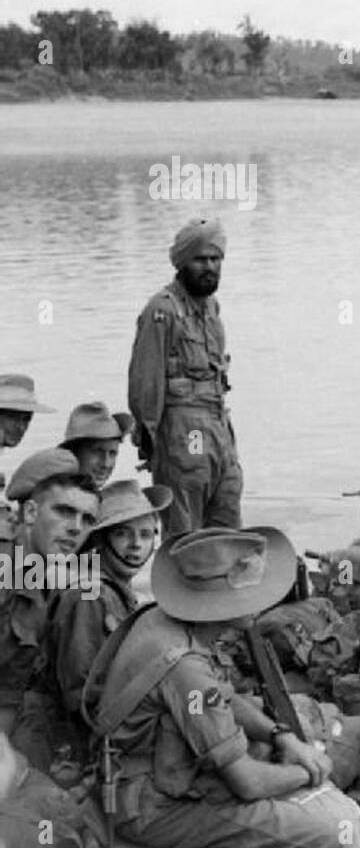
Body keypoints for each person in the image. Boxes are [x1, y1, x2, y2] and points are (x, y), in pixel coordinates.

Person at [83, 526, 360, 848]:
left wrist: (280, 737)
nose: (260, 600)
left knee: (326, 798)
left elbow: (224, 694)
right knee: (332, 838)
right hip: (153, 808)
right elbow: (248, 783)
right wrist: (314, 769)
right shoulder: (184, 667)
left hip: (155, 782)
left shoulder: (166, 622)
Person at [128, 216, 243, 537]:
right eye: (200, 259)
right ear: (182, 263)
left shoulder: (211, 308)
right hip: (184, 437)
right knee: (185, 532)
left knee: (228, 526)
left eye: (215, 259)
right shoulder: (161, 310)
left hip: (220, 432)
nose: (209, 266)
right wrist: (151, 442)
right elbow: (145, 382)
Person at [47, 479, 171, 757]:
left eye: (146, 534)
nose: (136, 545)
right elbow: (83, 695)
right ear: (101, 540)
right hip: (87, 740)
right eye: (123, 534)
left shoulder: (112, 590)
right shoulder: (90, 595)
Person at [0, 449, 99, 768]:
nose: (76, 528)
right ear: (30, 512)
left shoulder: (48, 575)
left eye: (87, 520)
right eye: (64, 512)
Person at [60, 402, 133, 492]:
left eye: (112, 453)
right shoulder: (59, 498)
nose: (106, 464)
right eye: (98, 451)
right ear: (75, 452)